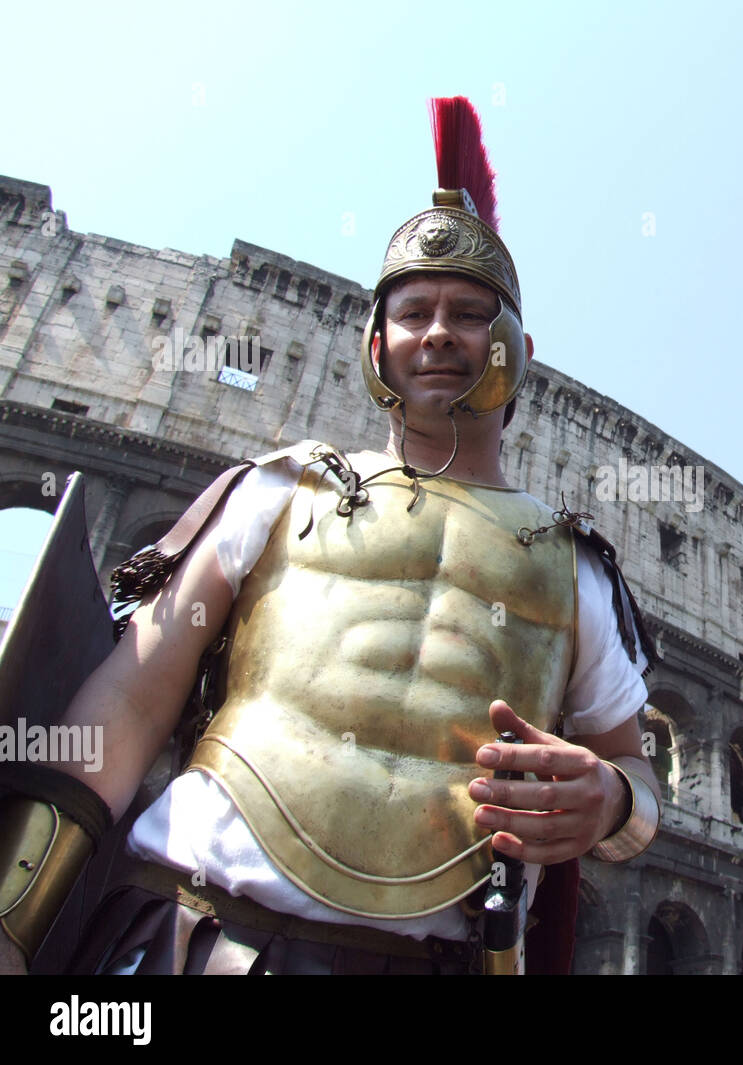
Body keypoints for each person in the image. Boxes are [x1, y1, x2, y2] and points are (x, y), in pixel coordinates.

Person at [0, 97, 660, 975]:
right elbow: (130, 702)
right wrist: (13, 922)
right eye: (414, 310)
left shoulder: (574, 567)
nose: (438, 333)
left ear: (517, 346)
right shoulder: (280, 488)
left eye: (469, 313)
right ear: (374, 343)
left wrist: (614, 800)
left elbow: (635, 772)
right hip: (186, 936)